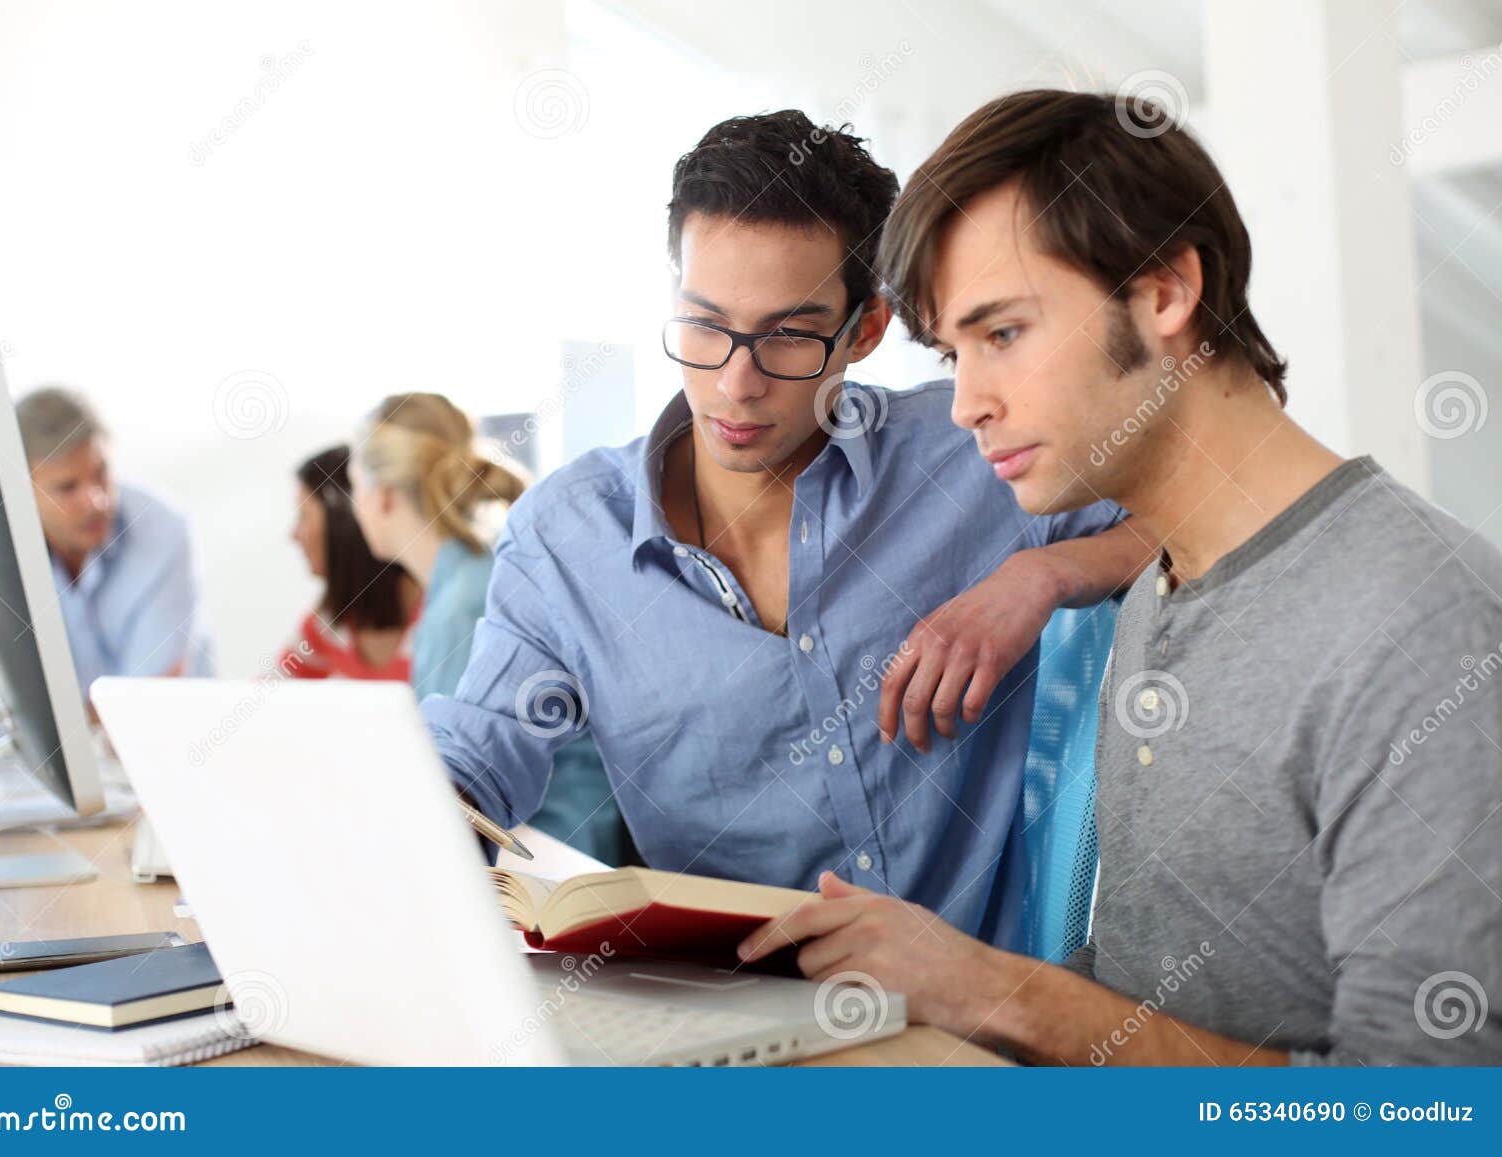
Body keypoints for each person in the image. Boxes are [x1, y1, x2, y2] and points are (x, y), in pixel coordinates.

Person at [738, 89, 1502, 1065]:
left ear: (1165, 293)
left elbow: (1431, 1111)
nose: (966, 403)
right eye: (953, 352)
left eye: (1002, 333)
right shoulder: (1160, 589)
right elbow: (1153, 992)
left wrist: (994, 988)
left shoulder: (1428, 622)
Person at [420, 111, 1154, 942]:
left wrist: (1042, 575)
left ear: (865, 330)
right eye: (705, 325)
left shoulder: (971, 454)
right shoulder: (568, 539)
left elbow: (1197, 510)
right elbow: (477, 755)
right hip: (731, 1010)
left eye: (790, 335)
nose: (738, 383)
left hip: (975, 1005)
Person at [348, 393, 626, 864]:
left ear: (383, 496)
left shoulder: (464, 602)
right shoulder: (468, 575)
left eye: (353, 486)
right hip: (551, 844)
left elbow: (454, 781)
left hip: (552, 857)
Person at [0, 386, 214, 697]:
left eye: (101, 473)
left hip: (172, 724)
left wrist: (65, 720)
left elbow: (145, 699)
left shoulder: (163, 531)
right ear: (20, 494)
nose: (96, 501)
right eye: (68, 487)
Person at [276, 445, 421, 682]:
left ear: (342, 520)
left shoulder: (437, 615)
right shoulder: (327, 624)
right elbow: (270, 688)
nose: (294, 535)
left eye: (303, 516)